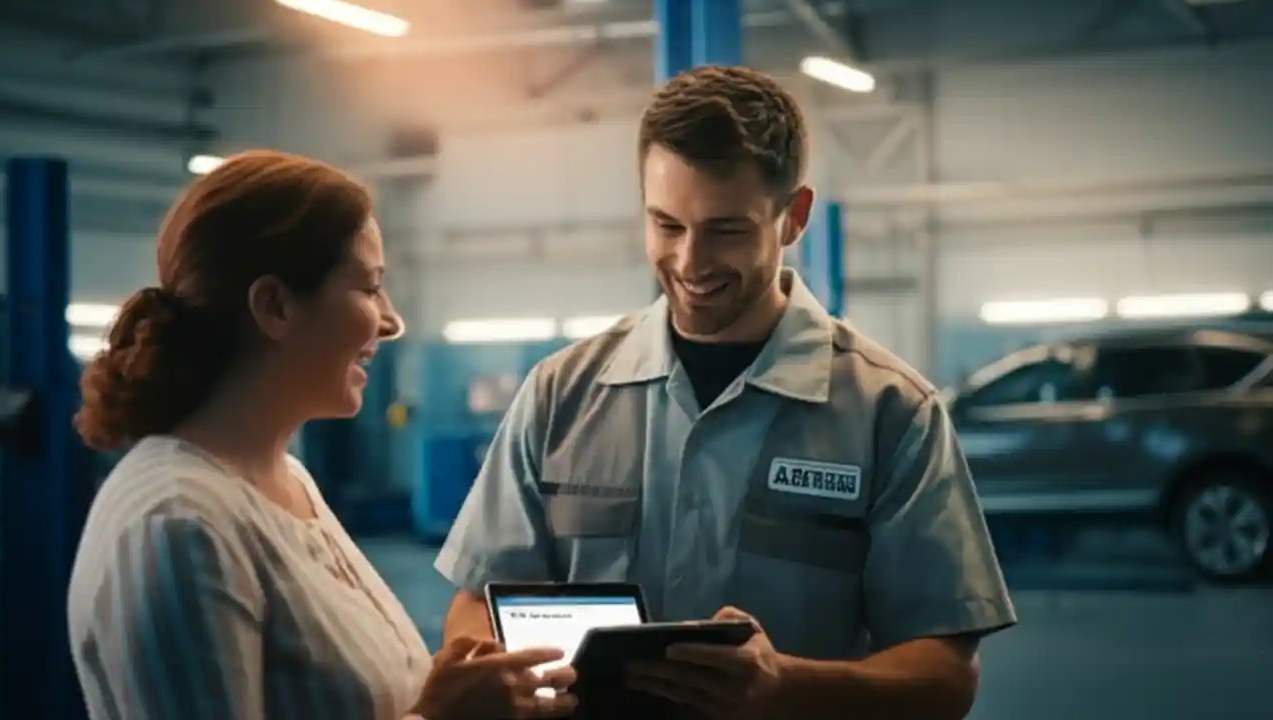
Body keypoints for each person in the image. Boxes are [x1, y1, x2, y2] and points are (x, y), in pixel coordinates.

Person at [435, 65, 1018, 719]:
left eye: (727, 230)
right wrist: (497, 678)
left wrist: (788, 687)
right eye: (667, 225)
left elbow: (945, 674)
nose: (690, 262)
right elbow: (477, 601)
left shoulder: (892, 413)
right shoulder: (559, 396)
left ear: (794, 217)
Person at [66, 150, 577, 720]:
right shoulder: (177, 524)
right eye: (370, 288)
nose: (392, 321)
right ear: (275, 306)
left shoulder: (287, 482)